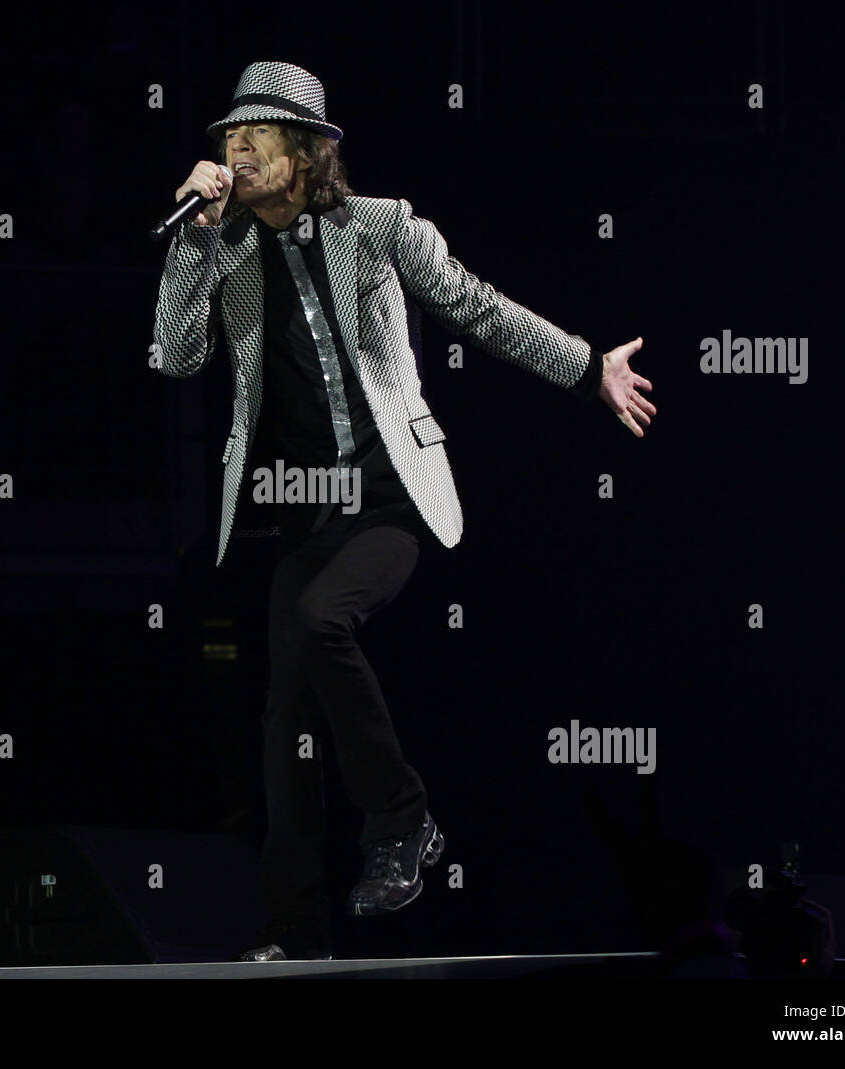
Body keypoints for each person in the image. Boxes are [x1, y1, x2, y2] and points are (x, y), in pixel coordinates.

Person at [153, 61, 655, 962]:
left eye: (259, 131)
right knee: (282, 719)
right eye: (230, 132)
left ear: (309, 152)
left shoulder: (380, 228)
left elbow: (477, 307)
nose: (237, 145)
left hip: (389, 495)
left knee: (318, 618)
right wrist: (193, 238)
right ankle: (294, 929)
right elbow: (176, 356)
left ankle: (402, 818)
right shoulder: (222, 251)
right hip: (302, 512)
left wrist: (589, 368)